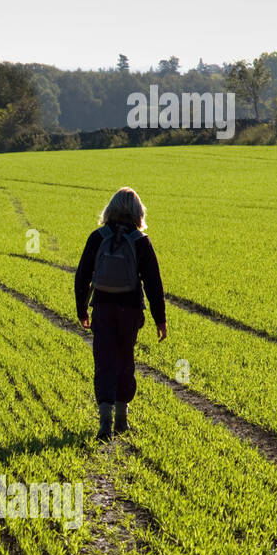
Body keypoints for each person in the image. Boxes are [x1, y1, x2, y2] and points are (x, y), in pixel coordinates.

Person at [74, 187, 166, 440]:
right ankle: (121, 420)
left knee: (104, 362)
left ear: (110, 209)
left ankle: (104, 421)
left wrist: (82, 309)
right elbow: (153, 283)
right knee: (125, 361)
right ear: (138, 212)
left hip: (102, 309)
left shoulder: (97, 237)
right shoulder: (140, 241)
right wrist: (160, 319)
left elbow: (82, 276)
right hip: (130, 311)